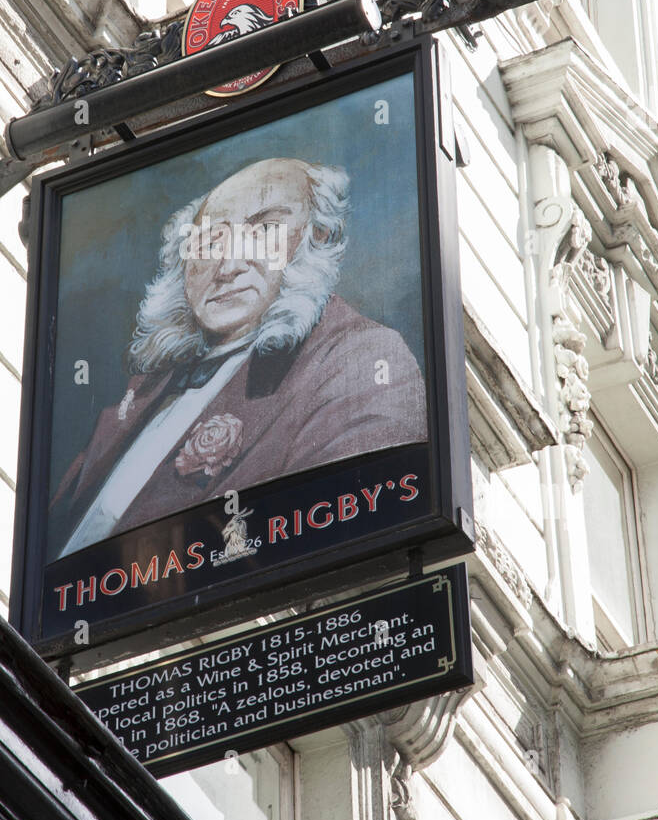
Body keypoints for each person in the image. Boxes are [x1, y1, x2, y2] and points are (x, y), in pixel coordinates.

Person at [50, 157, 426, 558]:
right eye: (210, 243)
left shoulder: (361, 358)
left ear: (315, 237)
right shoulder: (147, 389)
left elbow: (355, 529)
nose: (228, 267)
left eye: (264, 232)